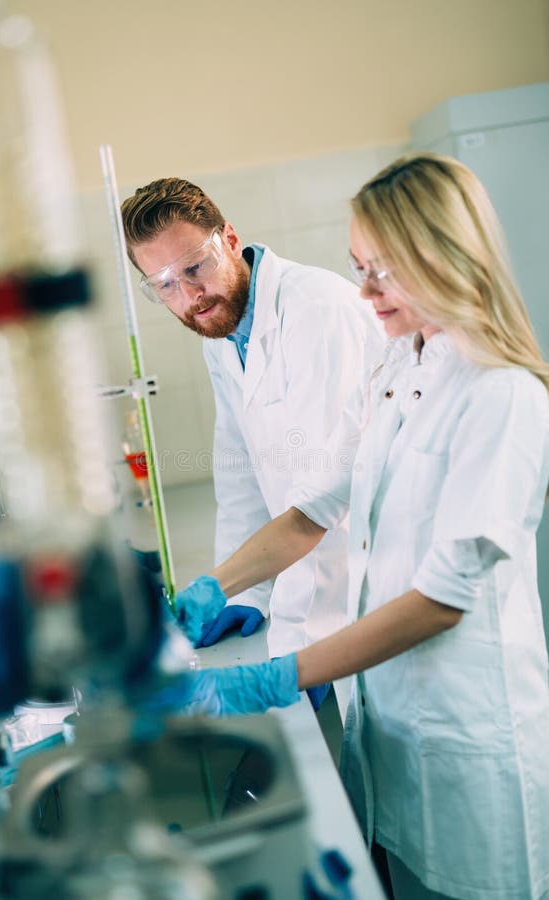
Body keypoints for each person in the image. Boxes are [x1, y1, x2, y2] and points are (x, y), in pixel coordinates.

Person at [181, 153, 549, 900]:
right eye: (359, 266)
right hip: (390, 722)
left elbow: (443, 599)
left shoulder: (502, 397)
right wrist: (213, 586)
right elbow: (313, 511)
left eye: (386, 268)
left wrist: (278, 677)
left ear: (448, 257)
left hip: (466, 733)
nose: (365, 290)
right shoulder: (394, 369)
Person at [121, 178, 383, 713]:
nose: (189, 296)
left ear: (230, 238)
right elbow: (240, 471)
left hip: (357, 593)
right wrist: (245, 594)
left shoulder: (316, 312)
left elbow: (323, 504)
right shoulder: (222, 330)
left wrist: (291, 642)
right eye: (164, 285)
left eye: (195, 267)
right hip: (307, 580)